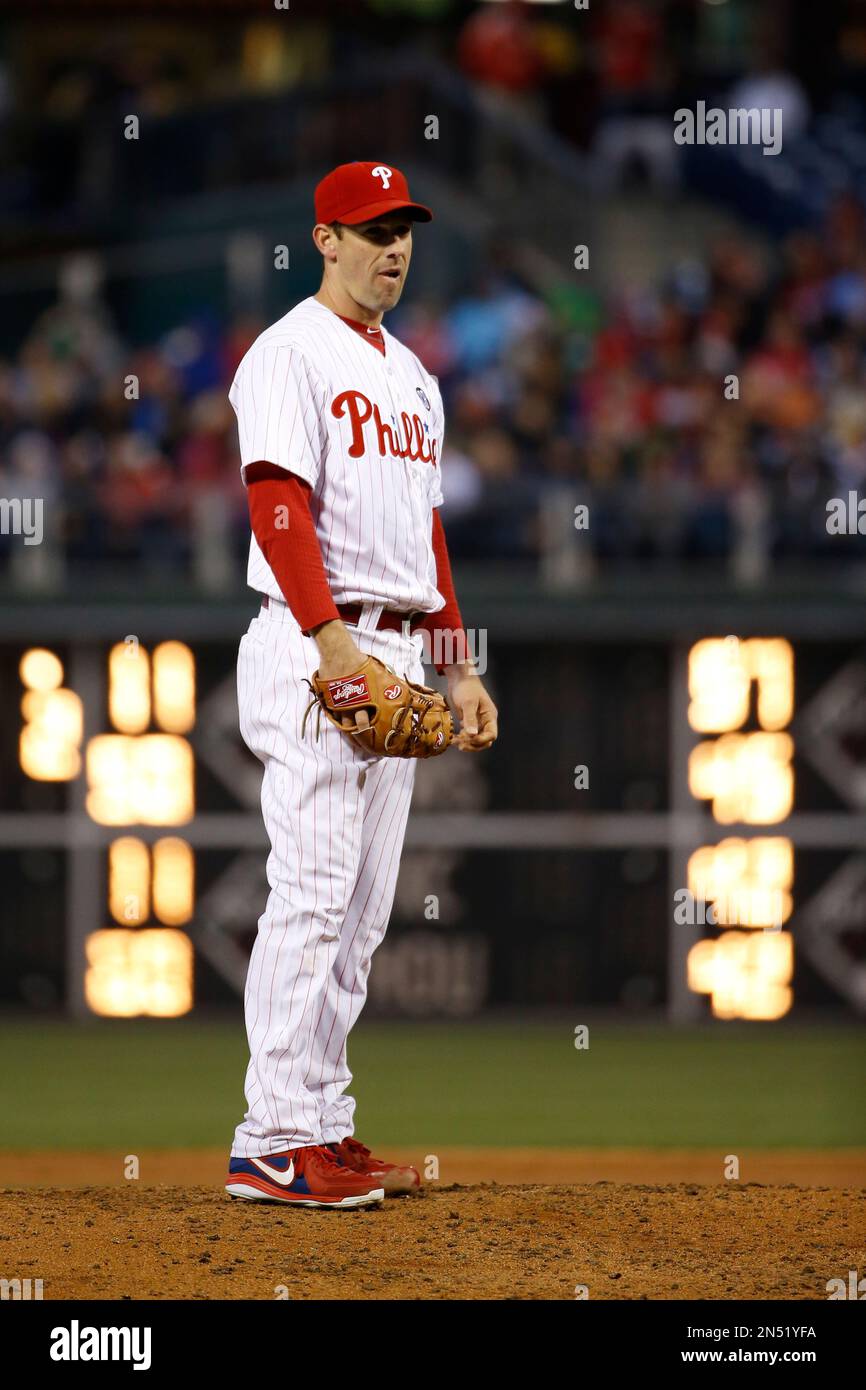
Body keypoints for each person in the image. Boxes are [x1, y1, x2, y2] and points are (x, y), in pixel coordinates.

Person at [224, 161, 498, 1208]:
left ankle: (322, 1124)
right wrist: (331, 640)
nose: (392, 246)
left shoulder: (416, 379)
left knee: (362, 912)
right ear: (324, 239)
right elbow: (277, 503)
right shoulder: (287, 352)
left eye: (404, 229)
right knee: (312, 892)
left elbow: (423, 536)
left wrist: (458, 660)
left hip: (391, 645)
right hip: (314, 643)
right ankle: (273, 1138)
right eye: (370, 228)